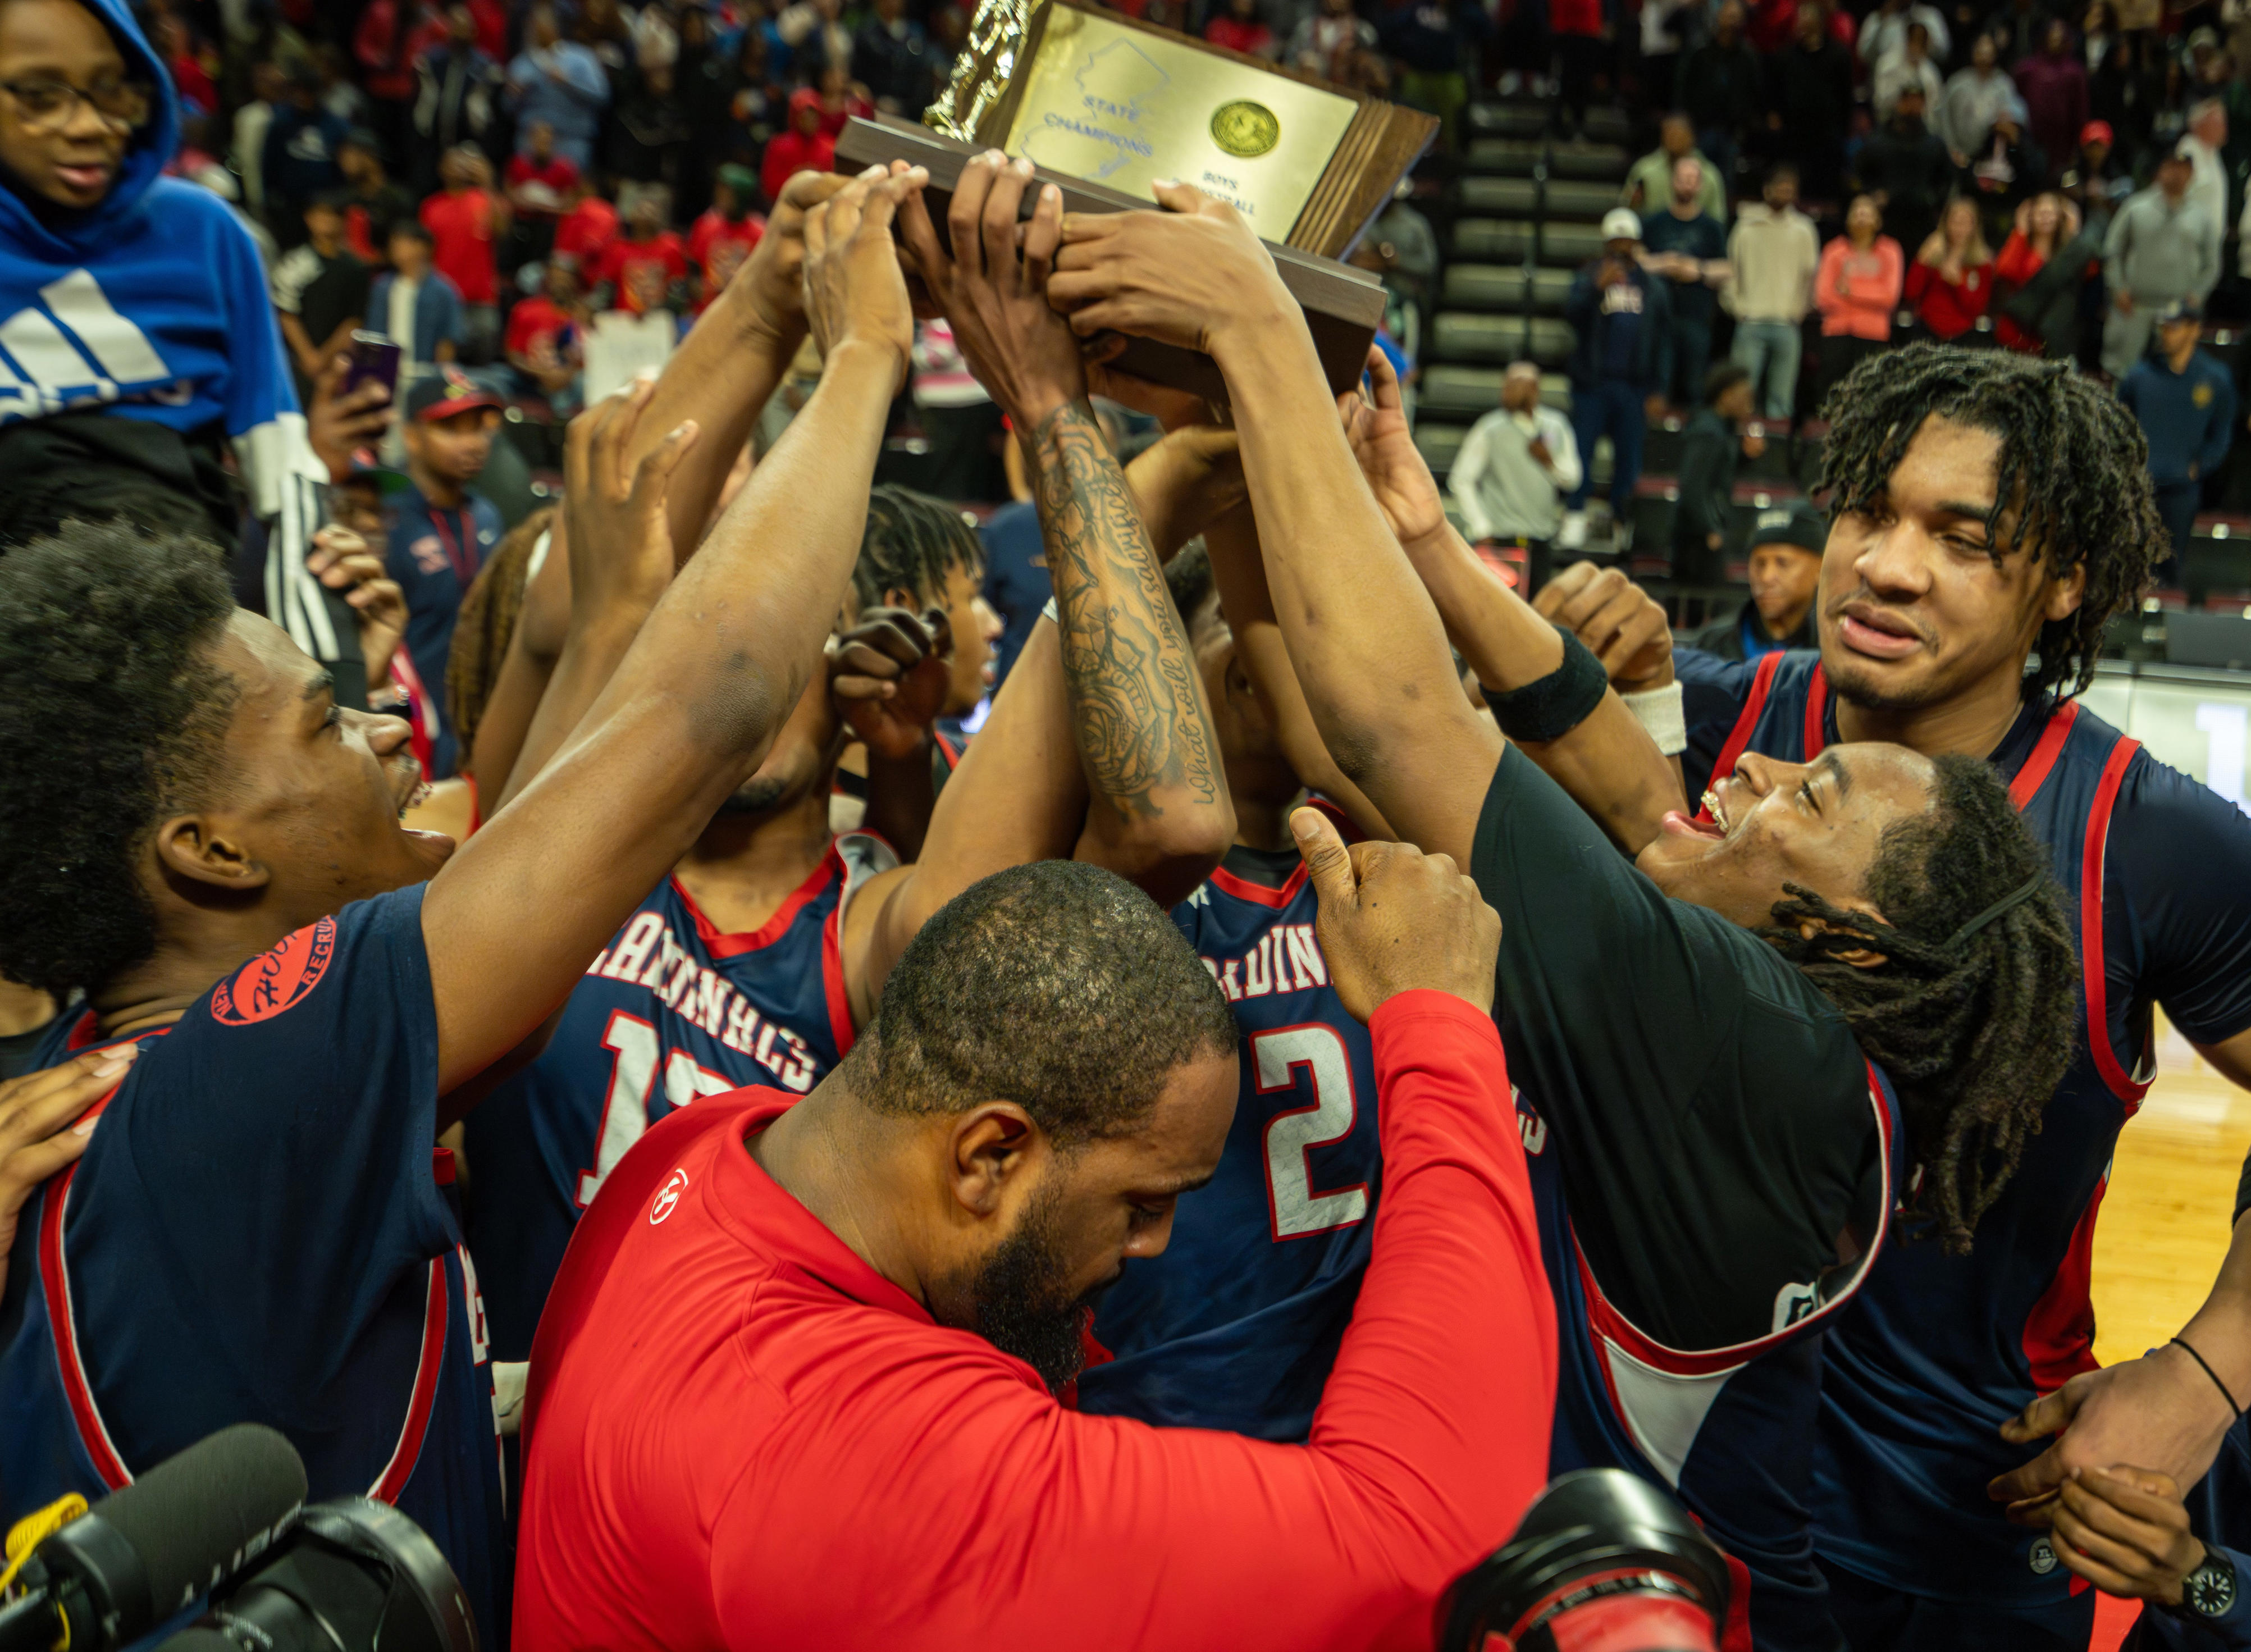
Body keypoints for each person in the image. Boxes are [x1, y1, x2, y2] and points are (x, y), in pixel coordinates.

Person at [513, 172, 1555, 1652]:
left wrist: (1168, 450)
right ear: (990, 1148)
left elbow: (1127, 830)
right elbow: (1427, 1536)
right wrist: (1444, 1029)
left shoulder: (706, 1158)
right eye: (1142, 1199)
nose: (1146, 1249)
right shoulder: (867, 1467)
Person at [1038, 189, 2080, 1652]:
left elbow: (1398, 727)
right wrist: (1253, 457)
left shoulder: (1758, 1037)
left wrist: (1260, 328)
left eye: (1814, 797)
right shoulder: (1750, 1037)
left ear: (1850, 945)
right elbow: (1350, 741)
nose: (1763, 767)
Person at [0, 156, 917, 1652]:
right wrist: (867, 350)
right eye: (322, 724)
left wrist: (762, 305)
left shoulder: (100, 1081)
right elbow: (709, 701)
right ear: (212, 853)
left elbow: (568, 759)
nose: (387, 732)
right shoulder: (270, 1055)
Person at [1638, 342, 2251, 1652]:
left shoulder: (2140, 840)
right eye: (1867, 507)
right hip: (1647, 1505)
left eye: (1962, 537)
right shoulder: (1702, 724)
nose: (1883, 563)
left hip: (1942, 1549)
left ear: (2064, 585)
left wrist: (2207, 1367)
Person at [0, 0, 362, 703]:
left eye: (114, 92)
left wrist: (337, 699)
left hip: (173, 667)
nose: (88, 126)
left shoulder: (206, 234)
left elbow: (286, 480)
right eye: (42, 97)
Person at [385, 367, 504, 779]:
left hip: (479, 728)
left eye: (479, 429)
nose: (472, 443)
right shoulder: (386, 522)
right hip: (413, 731)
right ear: (412, 436)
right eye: (451, 428)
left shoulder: (487, 515)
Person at [1558, 209, 1672, 554]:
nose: (1622, 248)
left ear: (1637, 243)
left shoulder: (1651, 287)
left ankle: (1621, 523)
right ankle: (1575, 516)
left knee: (1630, 458)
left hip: (1633, 387)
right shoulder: (1589, 277)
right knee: (1582, 453)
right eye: (1616, 242)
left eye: (1628, 242)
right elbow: (1569, 315)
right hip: (1593, 384)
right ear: (1606, 244)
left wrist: (1659, 387)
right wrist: (1596, 290)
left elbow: (1664, 340)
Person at [2119, 298, 2236, 585]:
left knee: (2171, 569)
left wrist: (2201, 466)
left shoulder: (2214, 379)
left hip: (2181, 490)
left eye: (2175, 327)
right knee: (2131, 565)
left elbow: (2222, 433)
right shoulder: (2139, 376)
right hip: (2140, 488)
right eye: (2164, 327)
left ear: (2195, 330)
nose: (2167, 334)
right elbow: (2119, 426)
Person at [1449, 359, 1582, 595]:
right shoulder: (1490, 428)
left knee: (1538, 610)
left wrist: (1549, 462)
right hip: (1501, 539)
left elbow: (1572, 478)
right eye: (1510, 385)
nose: (1514, 392)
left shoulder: (1556, 425)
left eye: (1523, 385)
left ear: (1536, 389)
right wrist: (1481, 527)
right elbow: (1461, 478)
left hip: (1541, 537)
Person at [2103, 145, 2222, 377]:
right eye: (2171, 167)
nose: (2177, 174)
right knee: (2121, 373)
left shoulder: (2201, 217)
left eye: (2184, 169)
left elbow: (2212, 264)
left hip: (2177, 314)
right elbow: (2112, 251)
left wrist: (2198, 294)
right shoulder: (2135, 208)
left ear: (2191, 175)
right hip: (2135, 308)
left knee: (2171, 377)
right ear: (2160, 171)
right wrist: (2118, 288)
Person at [1725, 163, 1819, 426]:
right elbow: (1732, 269)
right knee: (1742, 394)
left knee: (1781, 401)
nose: (1784, 193)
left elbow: (1810, 276)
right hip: (1751, 320)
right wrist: (1736, 307)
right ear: (1766, 191)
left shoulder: (1804, 229)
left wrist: (1799, 311)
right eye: (1779, 188)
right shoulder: (1746, 226)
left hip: (1786, 323)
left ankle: (1775, 458)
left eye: (1790, 189)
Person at [1641, 156, 1732, 411]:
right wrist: (1665, 263)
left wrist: (1698, 270)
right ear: (1673, 182)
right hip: (1659, 318)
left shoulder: (1711, 227)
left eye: (1693, 180)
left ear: (1701, 185)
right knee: (1659, 385)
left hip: (1697, 317)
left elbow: (1727, 268)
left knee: (1695, 387)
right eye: (1682, 179)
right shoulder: (1654, 223)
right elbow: (1637, 260)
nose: (1687, 185)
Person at [1687, 500, 1825, 659]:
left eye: (1783, 563)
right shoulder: (1710, 647)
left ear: (1821, 568)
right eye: (1759, 564)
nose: (1766, 578)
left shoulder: (1837, 654)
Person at [271, 191, 370, 397]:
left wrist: (322, 358)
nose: (326, 221)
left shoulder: (356, 268)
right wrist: (308, 356)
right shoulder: (295, 262)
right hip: (294, 362)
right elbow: (286, 312)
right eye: (319, 214)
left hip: (338, 363)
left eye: (333, 215)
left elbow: (353, 320)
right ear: (308, 218)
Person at [1670, 361, 1758, 582]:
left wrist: (1746, 457)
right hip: (1696, 537)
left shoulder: (1721, 429)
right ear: (1726, 395)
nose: (1750, 402)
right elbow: (1693, 485)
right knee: (1701, 605)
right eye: (1745, 395)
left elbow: (1719, 474)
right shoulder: (1708, 432)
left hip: (1702, 532)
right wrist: (1710, 529)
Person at [1816, 194, 1905, 399]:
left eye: (1867, 213)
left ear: (1877, 221)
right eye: (1856, 212)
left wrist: (1850, 291)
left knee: (1867, 396)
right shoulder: (1834, 250)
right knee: (1832, 395)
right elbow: (1823, 297)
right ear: (1847, 220)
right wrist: (1871, 294)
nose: (1861, 217)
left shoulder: (1890, 251)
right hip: (1837, 331)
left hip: (1873, 334)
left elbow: (1890, 297)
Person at [1856, 82, 1955, 264]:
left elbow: (1947, 180)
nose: (1912, 106)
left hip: (1922, 221)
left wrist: (1933, 200)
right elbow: (1859, 175)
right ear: (1898, 103)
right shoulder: (1878, 142)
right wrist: (1872, 195)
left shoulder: (1933, 144)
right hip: (1885, 220)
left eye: (1917, 101)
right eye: (1907, 100)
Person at [419, 143, 503, 361]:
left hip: (480, 300)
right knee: (445, 366)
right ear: (442, 169)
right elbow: (423, 254)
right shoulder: (432, 206)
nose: (459, 166)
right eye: (453, 162)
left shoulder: (484, 200)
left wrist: (487, 183)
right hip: (443, 299)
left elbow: (502, 229)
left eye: (464, 162)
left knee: (482, 365)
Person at [1765, 1, 1854, 200]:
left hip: (1827, 134)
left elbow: (1846, 96)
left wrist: (1844, 128)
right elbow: (1774, 92)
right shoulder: (1785, 56)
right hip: (1794, 134)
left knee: (1825, 187)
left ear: (1820, 22)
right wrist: (1774, 114)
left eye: (1807, 18)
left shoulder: (1839, 56)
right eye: (1800, 18)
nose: (1801, 23)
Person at [507, 4, 609, 172]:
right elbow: (508, 110)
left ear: (556, 25)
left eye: (544, 22)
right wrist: (514, 95)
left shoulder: (582, 58)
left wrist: (569, 82)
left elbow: (602, 96)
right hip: (530, 141)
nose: (539, 27)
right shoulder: (520, 64)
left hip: (570, 140)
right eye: (533, 23)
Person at [261, 60, 347, 247]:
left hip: (325, 205)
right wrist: (271, 197)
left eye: (306, 92)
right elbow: (269, 162)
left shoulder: (334, 125)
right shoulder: (282, 122)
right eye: (297, 91)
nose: (301, 97)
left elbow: (341, 166)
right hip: (290, 205)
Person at [1678, 1, 1761, 191]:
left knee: (1726, 182)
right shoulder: (1700, 50)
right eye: (1728, 15)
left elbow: (1754, 91)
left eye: (1736, 16)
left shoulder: (1747, 56)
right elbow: (1684, 87)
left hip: (1731, 131)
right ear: (1718, 16)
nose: (1732, 20)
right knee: (1696, 178)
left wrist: (1745, 119)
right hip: (1701, 127)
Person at [369, 218, 464, 377]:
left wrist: (437, 378)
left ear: (423, 247)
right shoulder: (382, 287)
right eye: (394, 242)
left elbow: (447, 341)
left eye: (402, 242)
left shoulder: (443, 291)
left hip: (424, 373)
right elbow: (373, 334)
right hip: (386, 373)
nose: (395, 248)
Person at [1992, 189, 2080, 352]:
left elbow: (2088, 274)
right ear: (2030, 216)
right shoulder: (2021, 246)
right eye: (2041, 212)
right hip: (2016, 331)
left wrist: (2074, 235)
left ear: (2061, 218)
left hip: (2049, 336)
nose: (2046, 217)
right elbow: (2004, 271)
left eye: (2051, 212)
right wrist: (2020, 231)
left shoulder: (2065, 253)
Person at [1906, 195, 1997, 340]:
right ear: (1946, 223)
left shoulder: (1983, 262)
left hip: (1963, 336)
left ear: (1975, 226)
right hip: (1926, 330)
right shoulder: (1934, 252)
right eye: (1956, 222)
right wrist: (1922, 259)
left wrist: (1959, 283)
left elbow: (1978, 308)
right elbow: (1911, 293)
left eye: (1966, 223)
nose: (1960, 228)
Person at [591, 184, 687, 316]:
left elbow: (678, 290)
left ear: (660, 219)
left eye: (652, 211)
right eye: (641, 209)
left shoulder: (671, 247)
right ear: (631, 216)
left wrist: (664, 310)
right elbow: (605, 289)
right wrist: (594, 308)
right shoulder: (617, 249)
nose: (646, 213)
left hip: (659, 319)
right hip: (624, 320)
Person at [2014, 19, 2090, 173]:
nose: (2055, 40)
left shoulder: (2074, 72)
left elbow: (2081, 109)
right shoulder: (2026, 69)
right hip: (2031, 138)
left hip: (2063, 140)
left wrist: (2078, 145)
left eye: (2059, 36)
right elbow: (2015, 102)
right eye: (2052, 35)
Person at [1623, 112, 1726, 222]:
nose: (1672, 138)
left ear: (1691, 137)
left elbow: (1718, 219)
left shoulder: (1709, 175)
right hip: (1653, 234)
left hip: (1697, 236)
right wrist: (1633, 203)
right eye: (1668, 133)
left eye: (1677, 134)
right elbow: (1626, 210)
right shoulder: (1645, 171)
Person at [688, 163, 765, 311]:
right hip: (707, 311)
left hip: (742, 310)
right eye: (719, 190)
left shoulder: (759, 232)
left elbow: (764, 278)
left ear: (741, 195)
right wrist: (697, 287)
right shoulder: (705, 226)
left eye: (726, 192)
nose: (719, 196)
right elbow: (693, 270)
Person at [337, 126, 414, 264]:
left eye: (349, 154)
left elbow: (408, 245)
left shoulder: (397, 199)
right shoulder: (346, 197)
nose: (343, 162)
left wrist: (375, 259)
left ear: (370, 157)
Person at [1939, 33, 2020, 161]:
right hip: (1959, 153)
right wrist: (1951, 149)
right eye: (1980, 51)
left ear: (1995, 54)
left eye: (1988, 52)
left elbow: (2012, 120)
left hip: (1993, 156)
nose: (1984, 57)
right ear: (1973, 52)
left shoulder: (2004, 84)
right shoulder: (1957, 83)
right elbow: (1944, 119)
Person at [762, 87, 837, 218]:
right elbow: (769, 185)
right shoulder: (779, 145)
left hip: (821, 213)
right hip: (786, 212)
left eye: (814, 116)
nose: (809, 120)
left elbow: (836, 184)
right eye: (804, 116)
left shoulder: (830, 147)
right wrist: (798, 178)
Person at [1872, 19, 1945, 122]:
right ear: (1907, 39)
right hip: (1891, 123)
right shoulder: (1887, 64)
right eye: (1914, 39)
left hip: (1920, 126)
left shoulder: (1931, 72)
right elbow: (1880, 101)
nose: (1916, 45)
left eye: (1921, 41)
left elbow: (1935, 107)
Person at [2181, 96, 2230, 240]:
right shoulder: (2189, 150)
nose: (2224, 128)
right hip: (2191, 239)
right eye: (2218, 123)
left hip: (2212, 240)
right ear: (2201, 124)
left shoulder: (2214, 154)